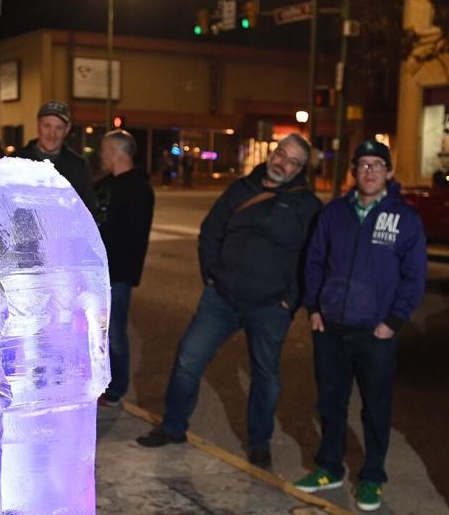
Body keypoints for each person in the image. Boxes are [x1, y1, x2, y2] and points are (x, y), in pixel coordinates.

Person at [137, 134, 321, 470]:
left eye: (294, 162)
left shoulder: (305, 205)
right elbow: (211, 231)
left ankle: (259, 443)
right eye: (282, 155)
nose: (284, 163)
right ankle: (173, 426)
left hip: (269, 306)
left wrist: (290, 301)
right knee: (188, 358)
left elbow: (312, 258)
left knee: (266, 376)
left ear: (300, 169)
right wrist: (212, 275)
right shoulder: (240, 189)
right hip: (221, 298)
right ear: (272, 153)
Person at [294, 139, 427, 512]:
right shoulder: (334, 213)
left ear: (388, 173)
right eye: (363, 165)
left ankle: (371, 477)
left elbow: (413, 276)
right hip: (331, 327)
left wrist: (393, 321)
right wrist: (314, 307)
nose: (369, 171)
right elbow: (314, 261)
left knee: (375, 408)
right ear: (354, 172)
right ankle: (329, 467)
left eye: (377, 165)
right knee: (331, 402)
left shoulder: (405, 218)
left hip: (376, 333)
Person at [95, 130, 155, 406]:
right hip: (97, 271)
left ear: (115, 152)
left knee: (115, 332)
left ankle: (117, 387)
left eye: (104, 150)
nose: (101, 155)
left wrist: (127, 274)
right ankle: (102, 380)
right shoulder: (104, 184)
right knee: (97, 331)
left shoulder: (138, 189)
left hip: (117, 274)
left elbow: (132, 237)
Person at [16, 101, 97, 215]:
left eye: (58, 128)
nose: (52, 134)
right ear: (38, 124)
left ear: (67, 129)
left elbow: (88, 211)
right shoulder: (17, 161)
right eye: (47, 126)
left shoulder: (78, 166)